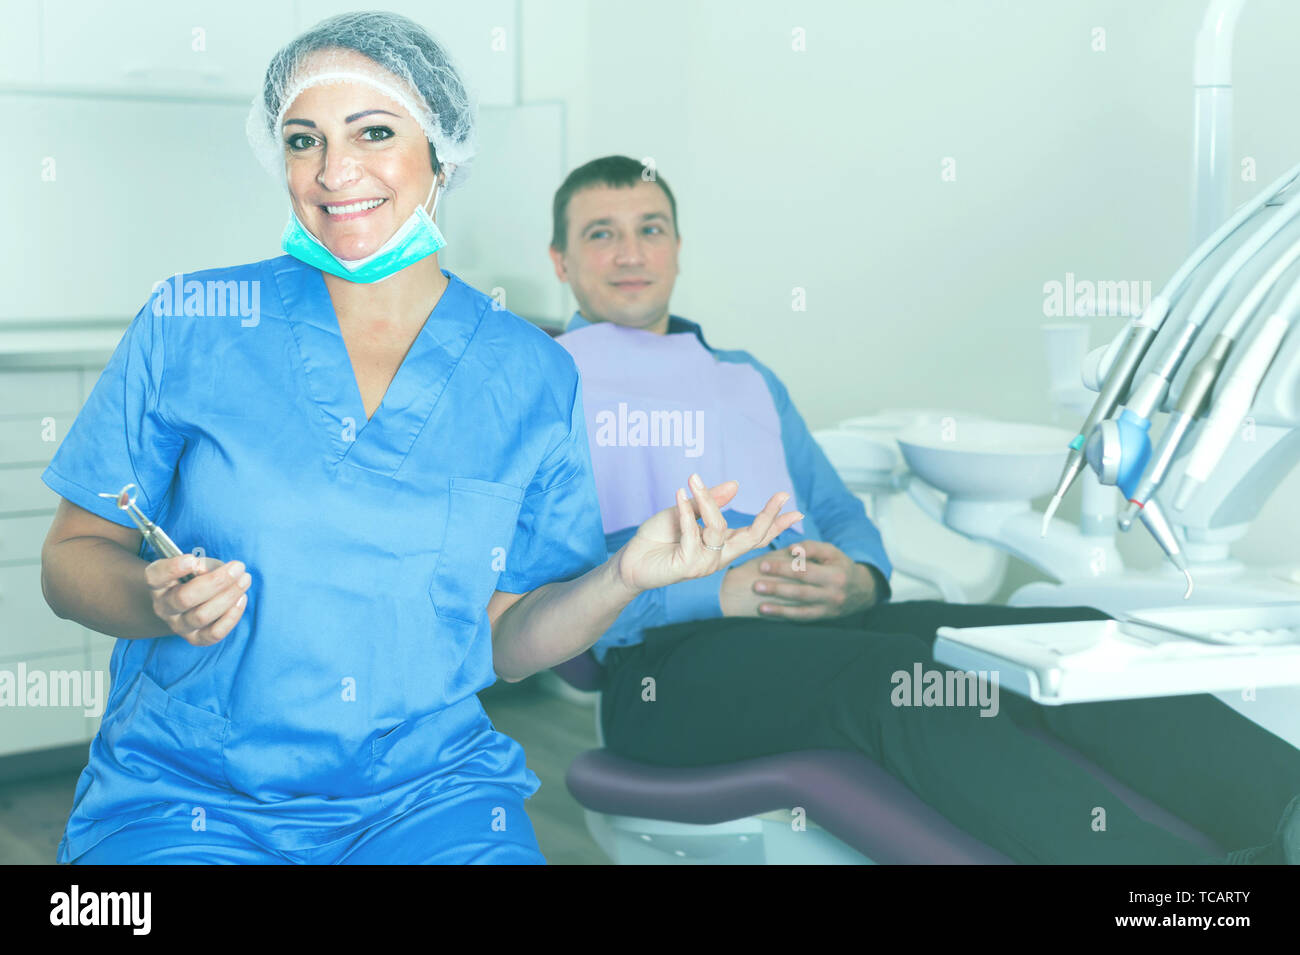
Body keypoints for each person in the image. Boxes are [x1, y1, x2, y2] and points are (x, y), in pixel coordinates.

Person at [37, 16, 798, 866]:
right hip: (186, 793)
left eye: (374, 131)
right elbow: (71, 553)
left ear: (441, 154)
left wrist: (621, 576)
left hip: (428, 798)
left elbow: (511, 638)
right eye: (303, 139)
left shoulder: (529, 372)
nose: (334, 171)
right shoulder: (192, 320)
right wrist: (154, 599)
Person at [548, 155, 1300, 864]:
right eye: (600, 234)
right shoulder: (548, 391)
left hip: (827, 625)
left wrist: (863, 579)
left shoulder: (744, 380)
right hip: (669, 665)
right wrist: (717, 590)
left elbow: (839, 513)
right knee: (903, 679)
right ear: (561, 262)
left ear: (677, 248)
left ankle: (1286, 816)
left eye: (649, 229)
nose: (630, 252)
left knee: (1065, 644)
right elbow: (543, 601)